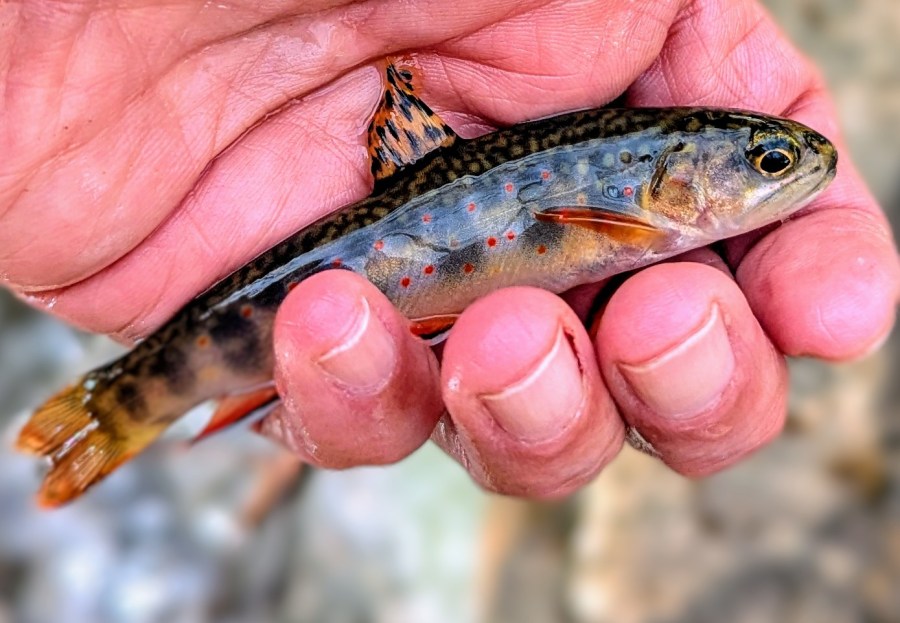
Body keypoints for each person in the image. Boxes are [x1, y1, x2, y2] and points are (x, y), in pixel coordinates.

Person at [1, 0, 897, 498]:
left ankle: (126, 402)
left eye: (775, 159)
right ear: (676, 180)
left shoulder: (645, 196)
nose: (796, 166)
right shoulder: (644, 216)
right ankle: (125, 402)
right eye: (772, 162)